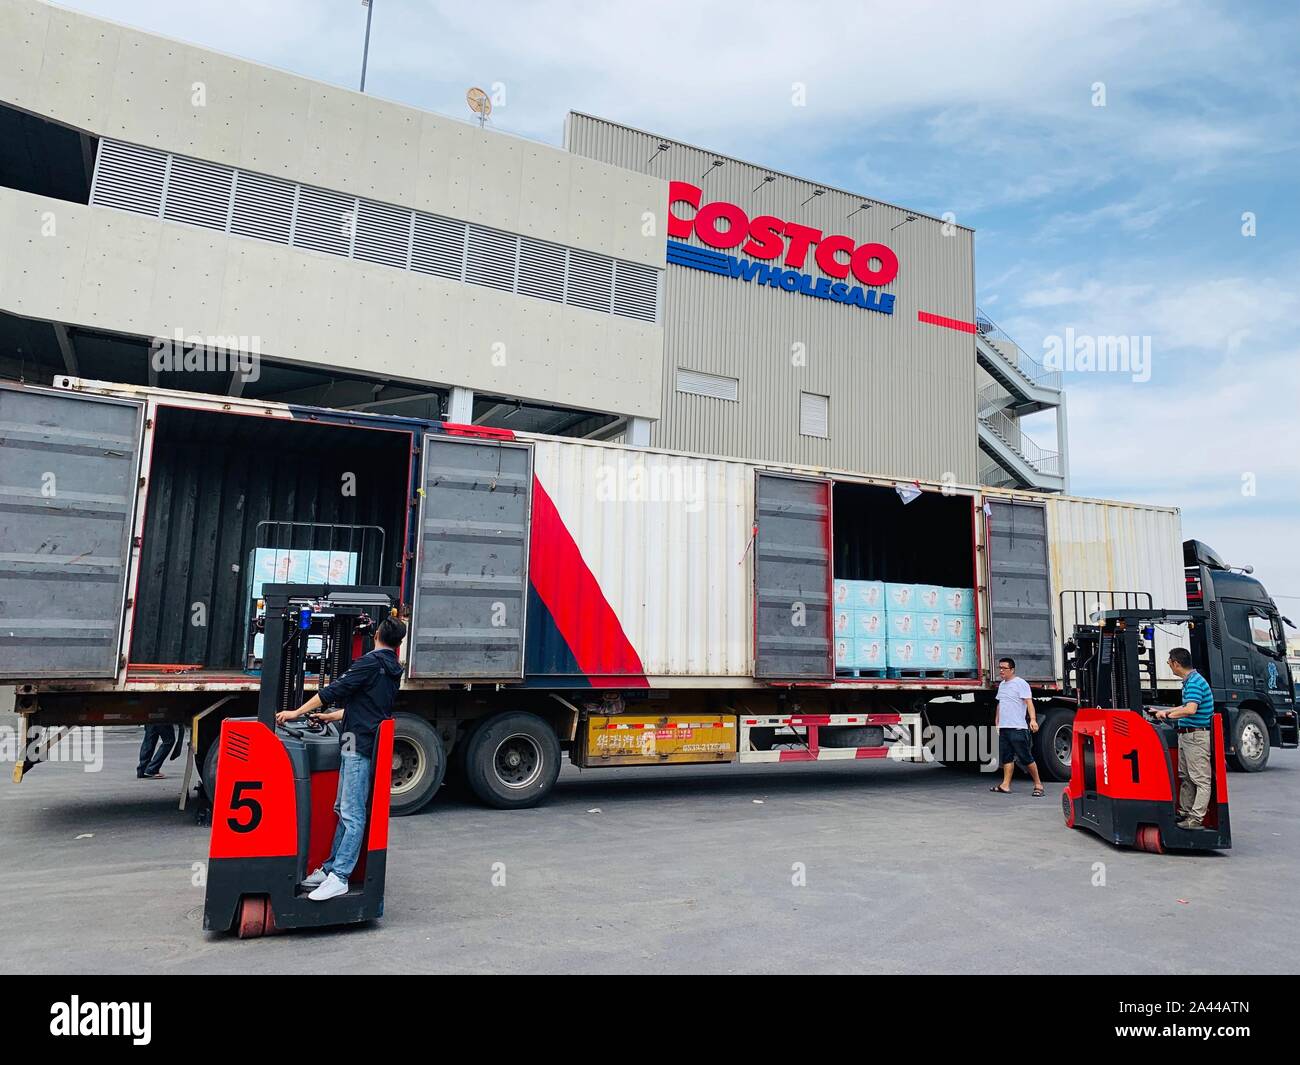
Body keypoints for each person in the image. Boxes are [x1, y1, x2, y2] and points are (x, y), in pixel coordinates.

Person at [276, 616, 406, 901]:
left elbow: (332, 692)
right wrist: (328, 717)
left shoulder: (370, 663)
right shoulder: (390, 669)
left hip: (358, 746)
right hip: (355, 742)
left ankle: (341, 876)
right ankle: (330, 867)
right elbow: (364, 707)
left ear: (377, 635)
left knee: (352, 812)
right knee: (341, 807)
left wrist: (295, 713)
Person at [1154, 647, 1215, 829]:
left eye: (1169, 662)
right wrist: (1164, 711)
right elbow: (1185, 705)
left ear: (1176, 664)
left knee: (1200, 779)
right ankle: (1184, 813)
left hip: (1196, 736)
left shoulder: (1195, 682)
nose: (1169, 665)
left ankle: (1195, 820)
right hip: (1188, 735)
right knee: (1186, 776)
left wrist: (1167, 716)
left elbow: (1190, 709)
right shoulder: (1190, 682)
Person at [989, 656, 1044, 796]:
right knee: (1007, 758)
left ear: (1012, 669)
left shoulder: (1021, 683)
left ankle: (1038, 785)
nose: (1001, 671)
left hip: (1018, 727)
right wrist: (997, 721)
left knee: (1025, 758)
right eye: (999, 668)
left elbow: (1029, 702)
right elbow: (1000, 704)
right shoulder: (1002, 685)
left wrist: (1033, 720)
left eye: (1004, 668)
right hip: (1004, 727)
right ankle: (1005, 785)